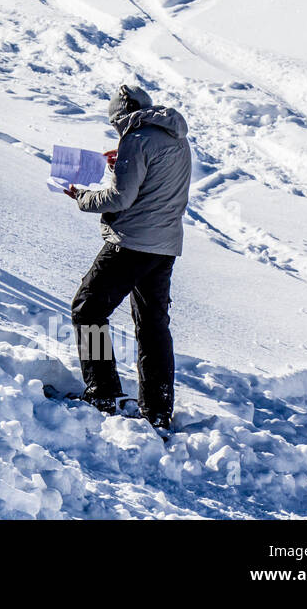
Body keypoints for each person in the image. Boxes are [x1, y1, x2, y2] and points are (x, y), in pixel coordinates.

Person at [64, 83, 191, 429]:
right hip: (164, 246)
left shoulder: (136, 140)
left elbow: (120, 199)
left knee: (87, 308)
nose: (118, 131)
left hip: (132, 243)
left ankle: (102, 391)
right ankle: (158, 411)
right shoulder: (176, 137)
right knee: (153, 327)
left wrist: (82, 196)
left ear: (122, 117)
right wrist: (123, 163)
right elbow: (154, 182)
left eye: (116, 125)